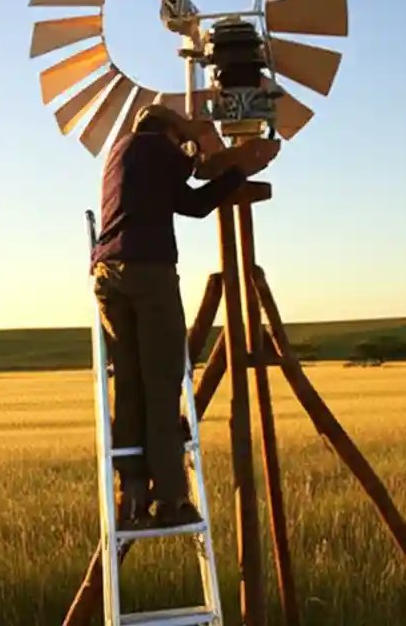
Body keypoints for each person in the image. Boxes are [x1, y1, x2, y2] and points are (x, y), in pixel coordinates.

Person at [90, 104, 280, 529]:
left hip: (107, 274)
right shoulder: (158, 147)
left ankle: (132, 495)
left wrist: (210, 156)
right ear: (169, 132)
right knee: (162, 382)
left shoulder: (121, 151)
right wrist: (234, 164)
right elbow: (196, 200)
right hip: (148, 271)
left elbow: (184, 197)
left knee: (130, 381)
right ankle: (171, 500)